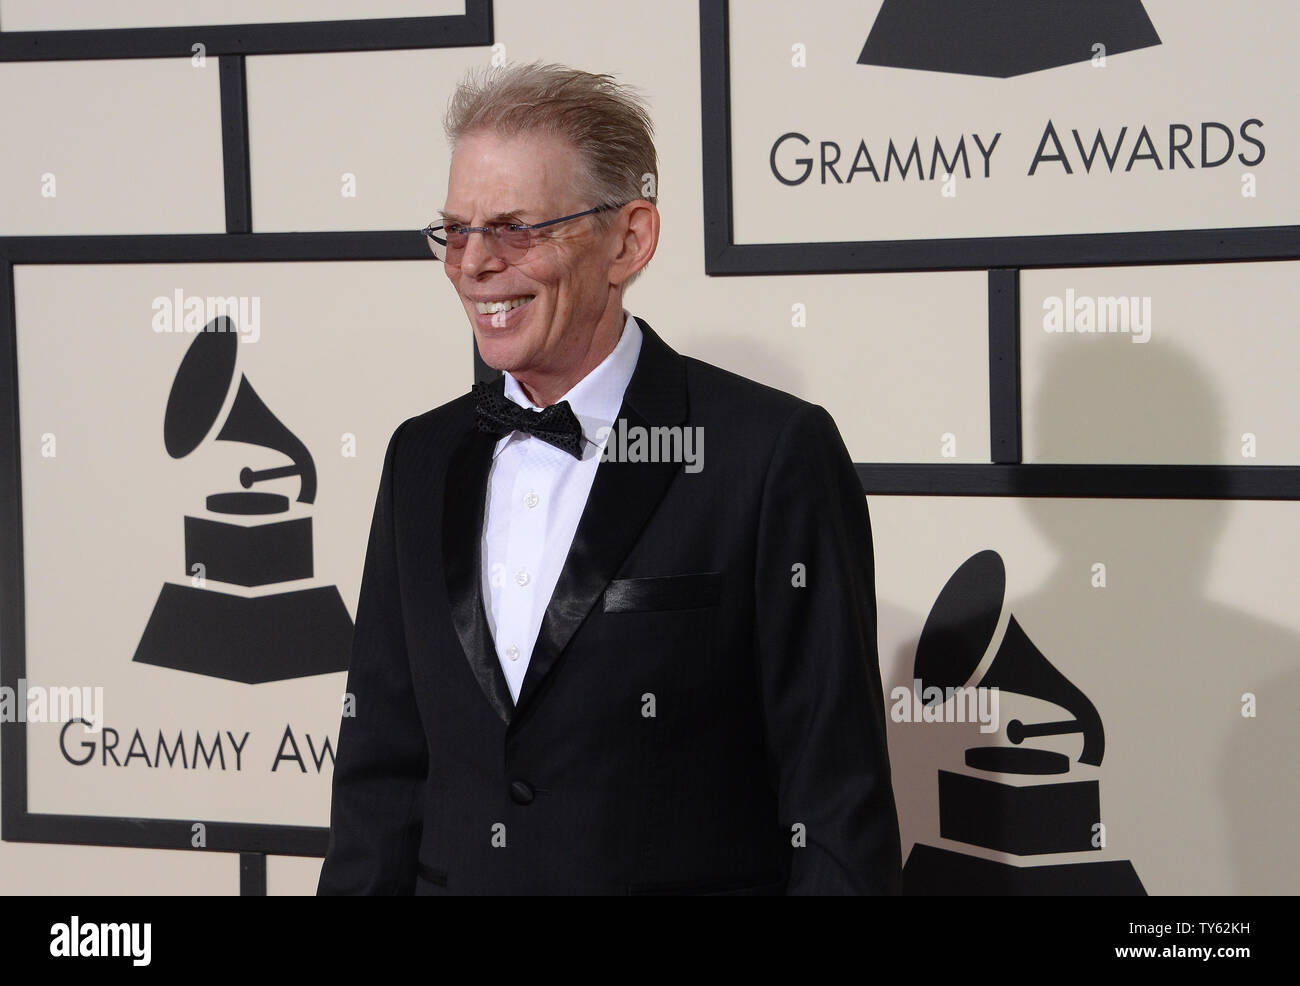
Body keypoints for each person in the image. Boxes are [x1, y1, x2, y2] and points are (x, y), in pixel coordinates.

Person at [317, 61, 901, 895]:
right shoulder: (421, 456)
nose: (474, 264)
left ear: (629, 239)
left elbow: (837, 807)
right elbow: (380, 780)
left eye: (515, 228)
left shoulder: (767, 454)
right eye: (456, 231)